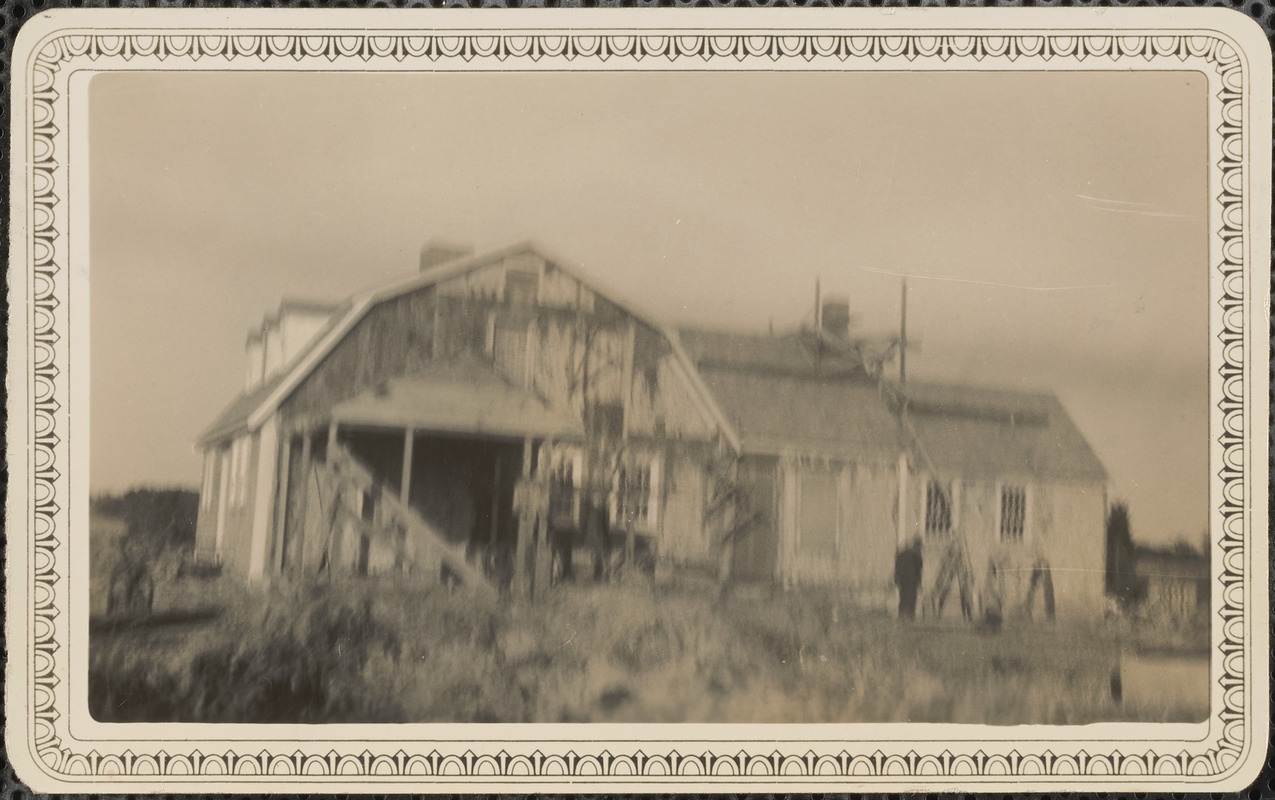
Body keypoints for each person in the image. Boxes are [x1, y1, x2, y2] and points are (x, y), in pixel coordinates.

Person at [894, 536, 924, 620]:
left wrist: (896, 579)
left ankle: (901, 615)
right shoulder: (917, 555)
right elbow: (919, 571)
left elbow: (897, 568)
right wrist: (919, 583)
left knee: (903, 597)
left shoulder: (900, 554)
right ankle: (911, 616)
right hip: (912, 580)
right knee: (912, 598)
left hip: (902, 579)